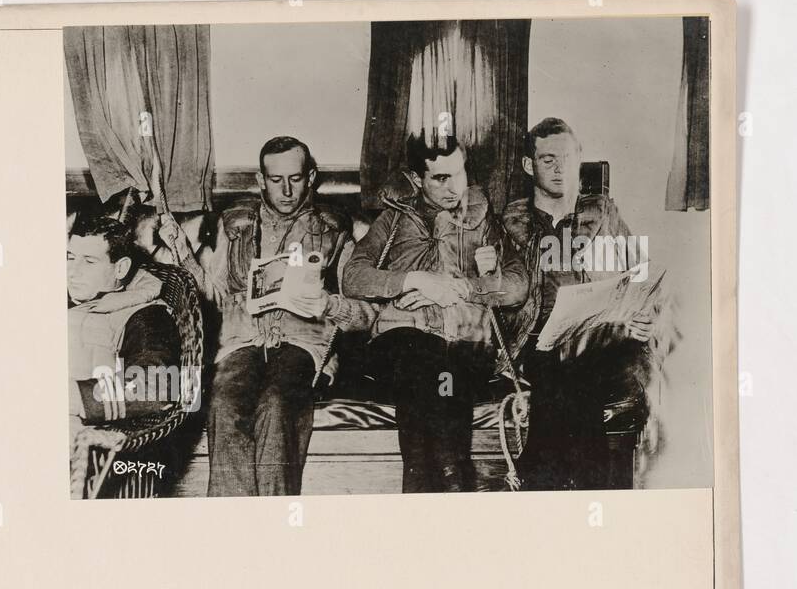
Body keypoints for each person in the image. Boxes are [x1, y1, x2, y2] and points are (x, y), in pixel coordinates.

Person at [159, 135, 371, 496]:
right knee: (224, 401)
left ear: (312, 176)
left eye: (296, 178)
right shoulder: (235, 225)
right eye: (276, 180)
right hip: (241, 342)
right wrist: (182, 251)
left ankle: (274, 516)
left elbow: (365, 315)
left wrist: (327, 304)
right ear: (261, 181)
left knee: (276, 401)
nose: (287, 190)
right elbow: (214, 295)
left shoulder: (335, 231)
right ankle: (233, 524)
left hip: (302, 342)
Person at [339, 133, 529, 492]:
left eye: (459, 174)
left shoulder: (482, 219)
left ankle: (421, 490)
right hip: (402, 343)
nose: (454, 187)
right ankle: (452, 485)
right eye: (440, 178)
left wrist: (469, 285)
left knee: (440, 372)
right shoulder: (393, 222)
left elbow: (518, 284)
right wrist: (416, 280)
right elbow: (353, 277)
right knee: (423, 358)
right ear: (416, 180)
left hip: (463, 343)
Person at [502, 117, 652, 490]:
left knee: (574, 371)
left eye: (567, 157)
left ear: (579, 158)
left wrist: (640, 315)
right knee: (566, 372)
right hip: (539, 342)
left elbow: (640, 276)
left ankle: (539, 483)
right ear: (528, 165)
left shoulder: (604, 214)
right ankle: (590, 500)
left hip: (601, 336)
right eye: (547, 159)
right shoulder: (511, 222)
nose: (559, 168)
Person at [67, 217, 180, 434]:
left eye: (89, 261)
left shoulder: (144, 315)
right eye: (70, 258)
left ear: (121, 268)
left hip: (84, 434)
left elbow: (158, 386)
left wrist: (76, 396)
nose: (72, 271)